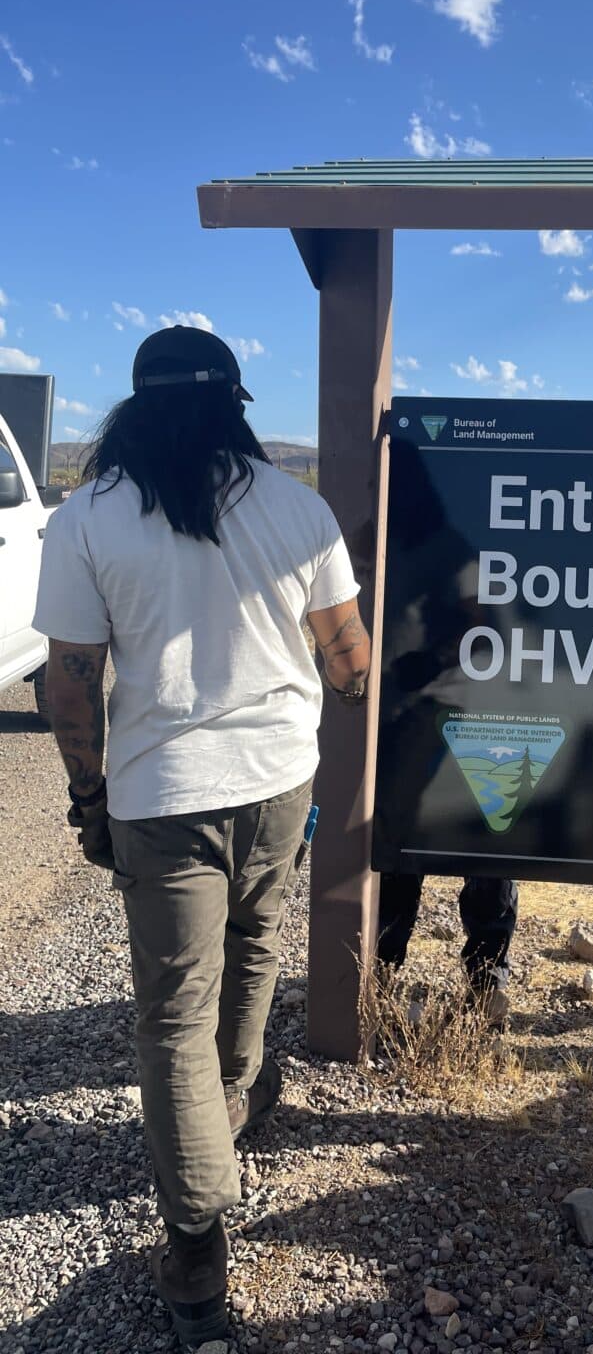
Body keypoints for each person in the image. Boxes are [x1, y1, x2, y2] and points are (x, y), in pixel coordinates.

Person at [33, 327, 371, 1348]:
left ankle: (195, 1246)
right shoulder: (297, 509)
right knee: (257, 946)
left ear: (131, 408)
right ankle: (228, 1104)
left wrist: (89, 799)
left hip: (160, 796)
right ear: (235, 404)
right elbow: (349, 663)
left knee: (170, 1012)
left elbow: (68, 680)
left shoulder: (88, 516)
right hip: (277, 781)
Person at [372, 439, 517, 1025]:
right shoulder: (381, 543)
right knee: (396, 843)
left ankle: (487, 979)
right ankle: (381, 967)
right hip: (400, 717)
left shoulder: (451, 548)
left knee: (482, 845)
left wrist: (428, 661)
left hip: (459, 711)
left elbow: (485, 626)